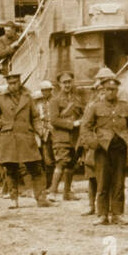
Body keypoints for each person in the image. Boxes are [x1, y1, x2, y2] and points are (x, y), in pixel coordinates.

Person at [79, 68, 128, 225]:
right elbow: (85, 127)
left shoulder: (125, 107)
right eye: (108, 89)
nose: (111, 92)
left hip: (120, 149)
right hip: (102, 149)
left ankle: (117, 214)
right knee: (102, 182)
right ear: (103, 89)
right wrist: (93, 143)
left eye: (114, 90)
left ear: (117, 90)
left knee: (119, 182)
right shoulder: (95, 107)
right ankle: (102, 215)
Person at [0, 72, 54, 208]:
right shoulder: (1, 98)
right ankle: (13, 199)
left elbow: (35, 117)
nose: (12, 86)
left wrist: (40, 131)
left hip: (26, 136)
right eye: (10, 83)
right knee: (10, 169)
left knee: (36, 167)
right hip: (8, 137)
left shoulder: (28, 97)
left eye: (15, 83)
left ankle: (41, 198)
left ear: (20, 82)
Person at [46, 71, 83, 201]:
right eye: (64, 82)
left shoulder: (77, 99)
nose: (67, 84)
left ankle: (67, 193)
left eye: (69, 82)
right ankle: (52, 191)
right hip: (61, 137)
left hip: (75, 138)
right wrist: (72, 124)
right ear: (59, 84)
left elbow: (82, 115)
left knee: (72, 164)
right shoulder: (54, 101)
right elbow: (54, 120)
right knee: (61, 163)